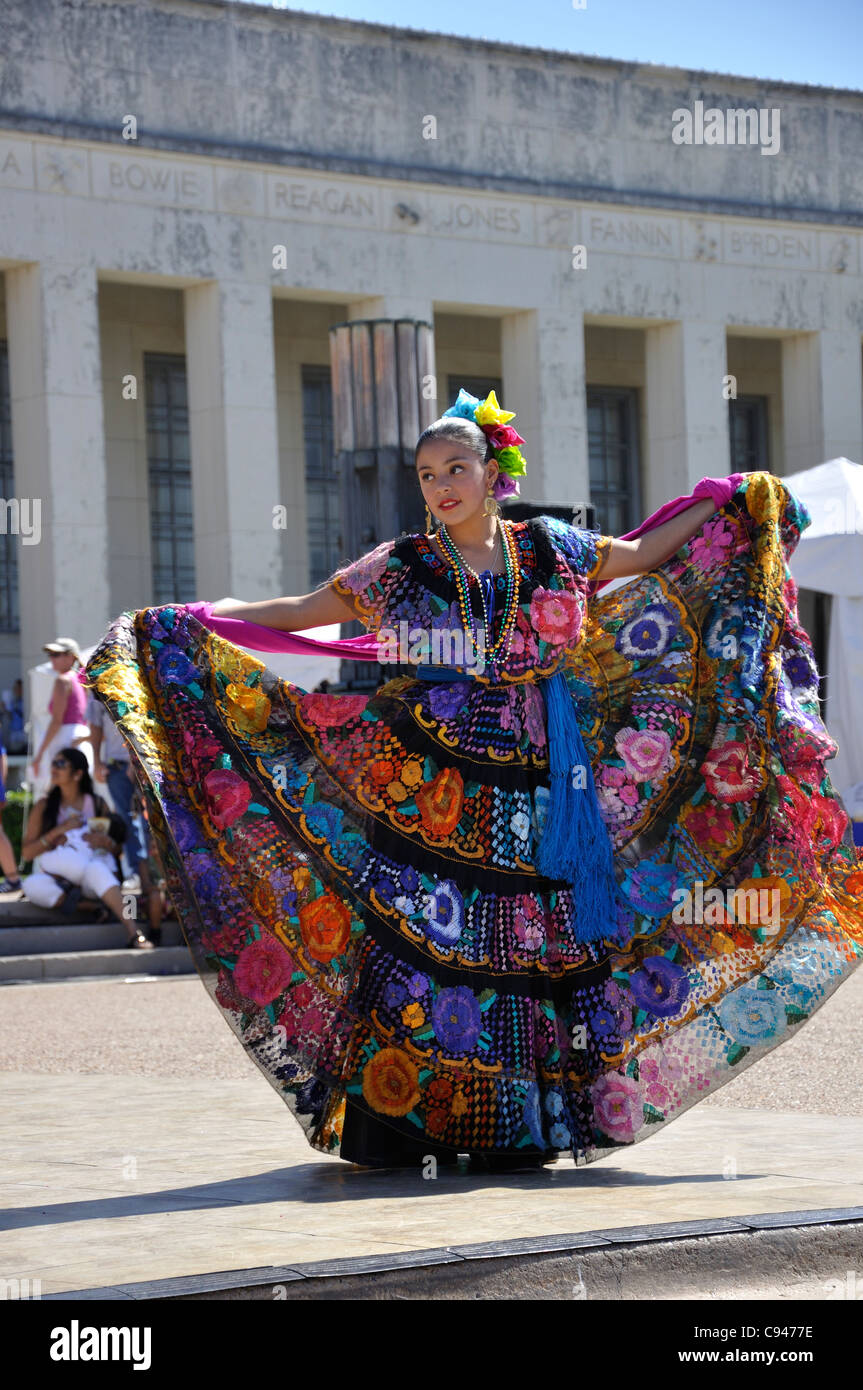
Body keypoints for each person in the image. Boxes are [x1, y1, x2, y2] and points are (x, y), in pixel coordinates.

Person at [82, 386, 863, 1173]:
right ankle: (408, 1124)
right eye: (426, 474)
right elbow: (305, 608)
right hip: (429, 784)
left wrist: (730, 501)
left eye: (455, 467)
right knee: (424, 934)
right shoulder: (404, 563)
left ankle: (512, 1127)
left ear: (495, 472)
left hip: (537, 781)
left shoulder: (551, 548)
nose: (440, 485)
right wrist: (194, 619)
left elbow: (638, 555)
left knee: (525, 945)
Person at [19, 747, 153, 948]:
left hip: (92, 878)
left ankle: (134, 932)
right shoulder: (44, 806)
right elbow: (27, 854)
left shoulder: (97, 804)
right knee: (32, 885)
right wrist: (58, 832)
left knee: (97, 869)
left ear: (78, 774)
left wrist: (106, 842)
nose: (54, 768)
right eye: (53, 763)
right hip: (60, 880)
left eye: (61, 764)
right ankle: (93, 907)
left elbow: (116, 848)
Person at [86, 691, 142, 888]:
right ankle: (136, 872)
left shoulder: (134, 671)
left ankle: (156, 874)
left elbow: (140, 717)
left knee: (148, 820)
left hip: (145, 763)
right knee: (126, 820)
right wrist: (96, 760)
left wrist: (135, 761)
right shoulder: (97, 681)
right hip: (116, 766)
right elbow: (95, 725)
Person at [30, 639, 93, 798]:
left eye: (56, 654)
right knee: (81, 792)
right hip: (81, 739)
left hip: (65, 738)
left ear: (71, 657)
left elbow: (57, 720)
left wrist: (38, 756)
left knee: (56, 794)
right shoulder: (82, 680)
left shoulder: (63, 680)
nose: (52, 659)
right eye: (51, 655)